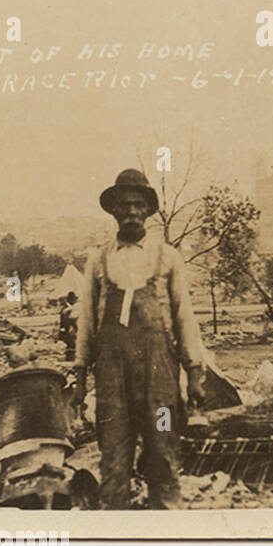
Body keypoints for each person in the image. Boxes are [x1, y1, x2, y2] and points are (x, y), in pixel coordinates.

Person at [71, 168, 208, 508]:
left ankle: (167, 533)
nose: (131, 212)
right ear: (114, 211)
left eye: (137, 205)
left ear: (147, 210)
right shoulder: (98, 261)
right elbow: (87, 321)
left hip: (159, 381)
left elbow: (184, 317)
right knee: (114, 457)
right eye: (124, 205)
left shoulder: (167, 257)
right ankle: (117, 538)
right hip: (112, 382)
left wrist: (194, 375)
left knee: (162, 448)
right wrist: (78, 377)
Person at [57, 291, 78, 361]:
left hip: (71, 330)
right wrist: (69, 327)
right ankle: (70, 359)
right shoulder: (65, 309)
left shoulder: (71, 308)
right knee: (69, 345)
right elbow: (64, 321)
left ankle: (72, 358)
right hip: (67, 330)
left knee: (73, 345)